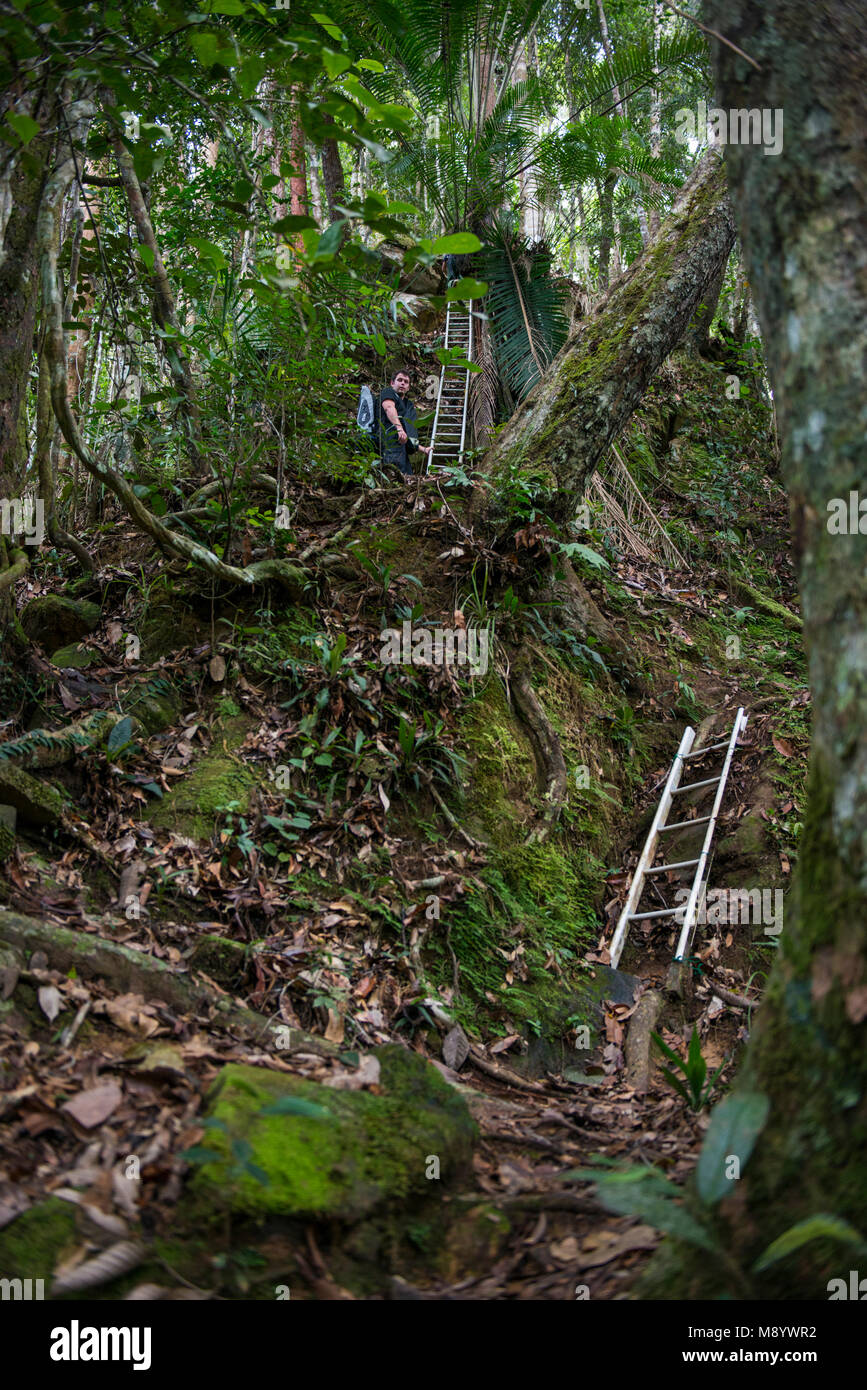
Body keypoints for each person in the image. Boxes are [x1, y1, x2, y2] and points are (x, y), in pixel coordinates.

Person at [378, 368, 431, 478]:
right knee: (394, 475)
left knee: (407, 477)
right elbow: (389, 407)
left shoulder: (407, 404)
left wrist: (423, 449)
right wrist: (399, 428)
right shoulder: (388, 392)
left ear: (408, 387)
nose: (402, 383)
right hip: (389, 442)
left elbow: (409, 431)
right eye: (400, 380)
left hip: (402, 449)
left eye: (406, 382)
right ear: (392, 383)